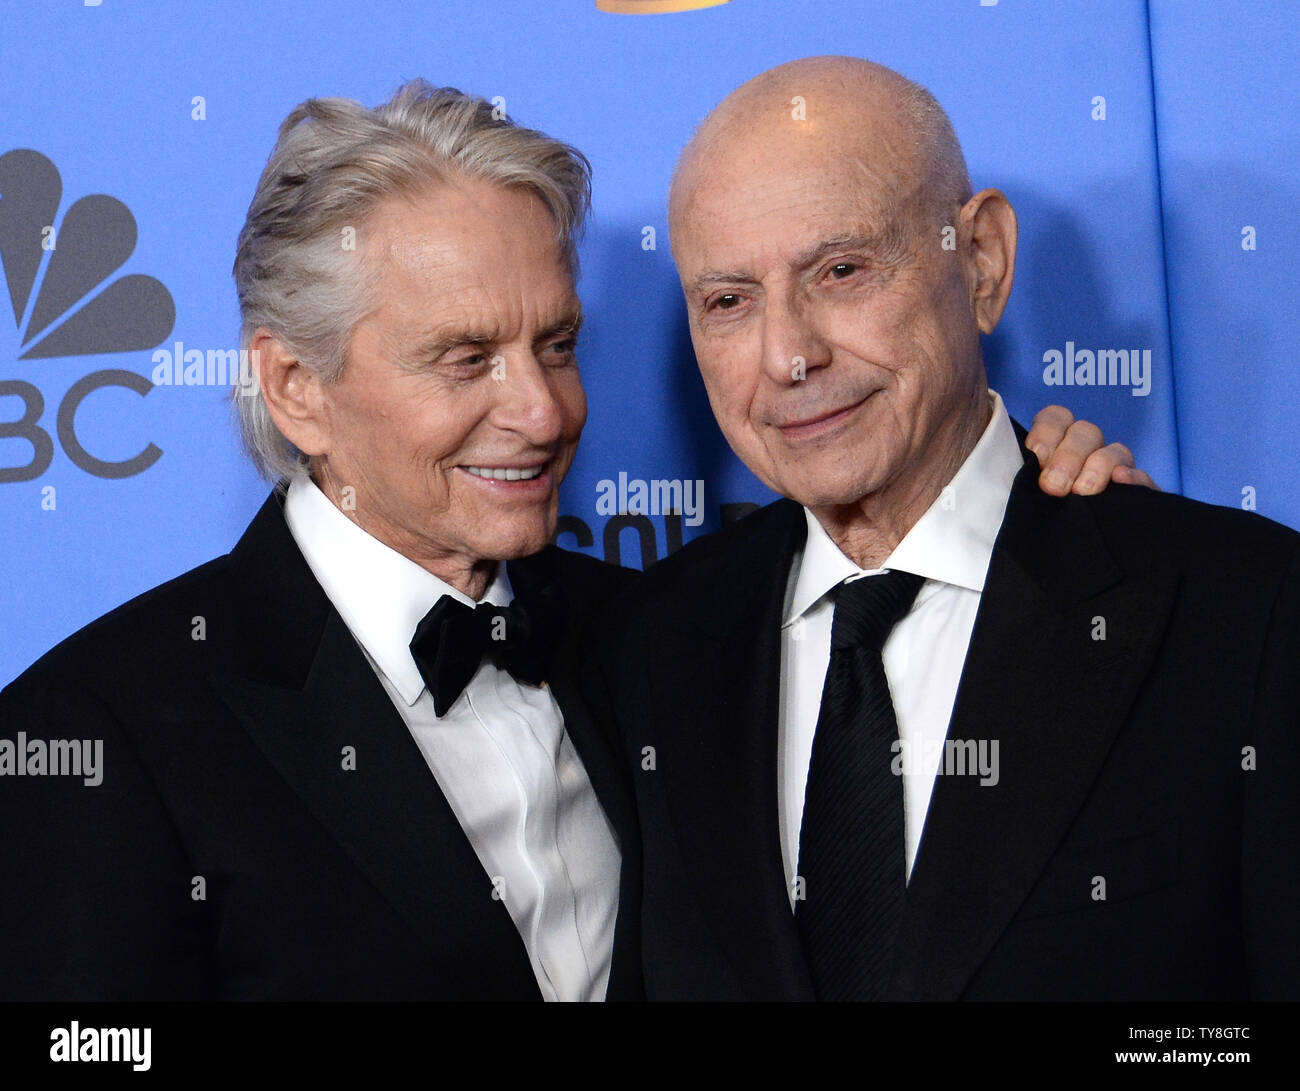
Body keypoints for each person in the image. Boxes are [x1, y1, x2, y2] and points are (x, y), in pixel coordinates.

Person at [0, 79, 1135, 1002]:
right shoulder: (97, 736)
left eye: (555, 343)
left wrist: (1053, 514)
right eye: (464, 358)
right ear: (296, 387)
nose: (542, 412)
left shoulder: (661, 636)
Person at [583, 56, 1300, 1001]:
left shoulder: (1247, 614)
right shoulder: (646, 650)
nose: (789, 354)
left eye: (841, 270)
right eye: (729, 301)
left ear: (984, 262)